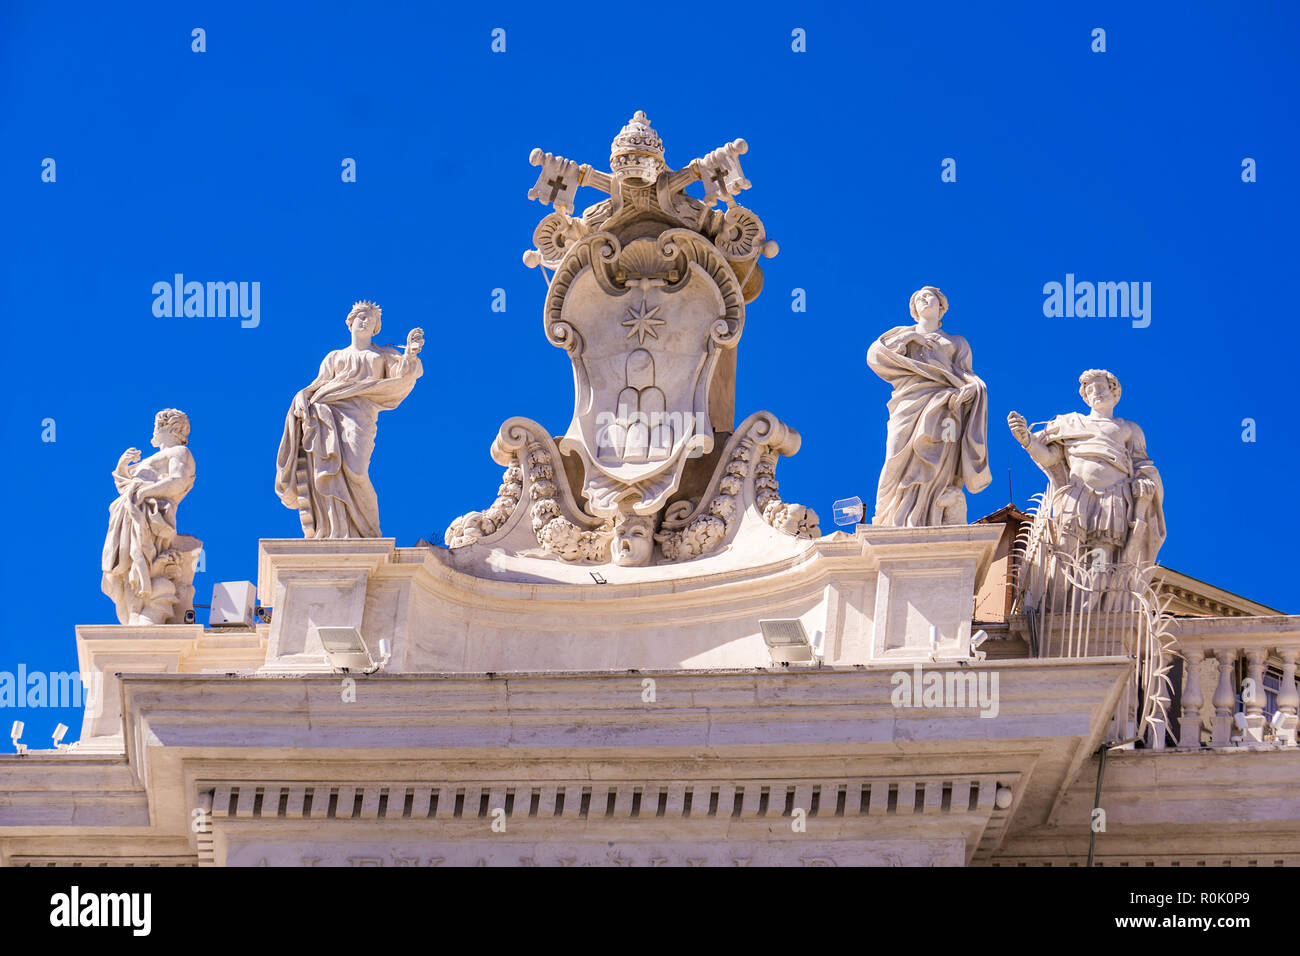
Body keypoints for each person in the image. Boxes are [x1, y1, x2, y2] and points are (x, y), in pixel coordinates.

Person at [275, 301, 423, 538]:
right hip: (326, 412)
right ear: (350, 322)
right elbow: (317, 385)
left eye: (371, 320)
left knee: (356, 469)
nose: (365, 322)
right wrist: (301, 397)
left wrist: (410, 354)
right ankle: (333, 529)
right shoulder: (334, 357)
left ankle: (367, 529)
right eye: (361, 317)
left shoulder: (383, 355)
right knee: (327, 467)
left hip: (360, 414)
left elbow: (404, 377)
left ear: (376, 327)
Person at [1008, 369, 1164, 569]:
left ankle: (1095, 597)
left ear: (1114, 392)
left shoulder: (1129, 429)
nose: (1095, 392)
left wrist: (1145, 482)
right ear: (1085, 397)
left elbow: (1142, 465)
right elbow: (1050, 458)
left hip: (1112, 497)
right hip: (1076, 496)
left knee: (1101, 553)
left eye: (1101, 387)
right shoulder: (1070, 424)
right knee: (1065, 550)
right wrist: (1027, 440)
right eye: (1090, 389)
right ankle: (1066, 595)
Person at [867, 287, 990, 526]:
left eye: (928, 295)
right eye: (917, 298)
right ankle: (885, 514)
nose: (923, 299)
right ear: (913, 310)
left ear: (941, 305)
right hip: (908, 403)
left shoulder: (956, 342)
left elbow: (969, 377)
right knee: (895, 456)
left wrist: (970, 390)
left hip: (945, 405)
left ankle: (931, 516)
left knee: (938, 459)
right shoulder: (899, 335)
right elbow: (875, 356)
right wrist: (908, 339)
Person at [101, 409, 200, 624]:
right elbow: (125, 485)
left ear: (168, 428)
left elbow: (178, 481)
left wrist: (144, 492)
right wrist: (122, 467)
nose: (153, 432)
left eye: (156, 427)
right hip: (131, 513)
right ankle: (136, 615)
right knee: (127, 571)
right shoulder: (153, 458)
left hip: (151, 515)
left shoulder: (179, 453)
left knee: (144, 564)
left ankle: (148, 611)